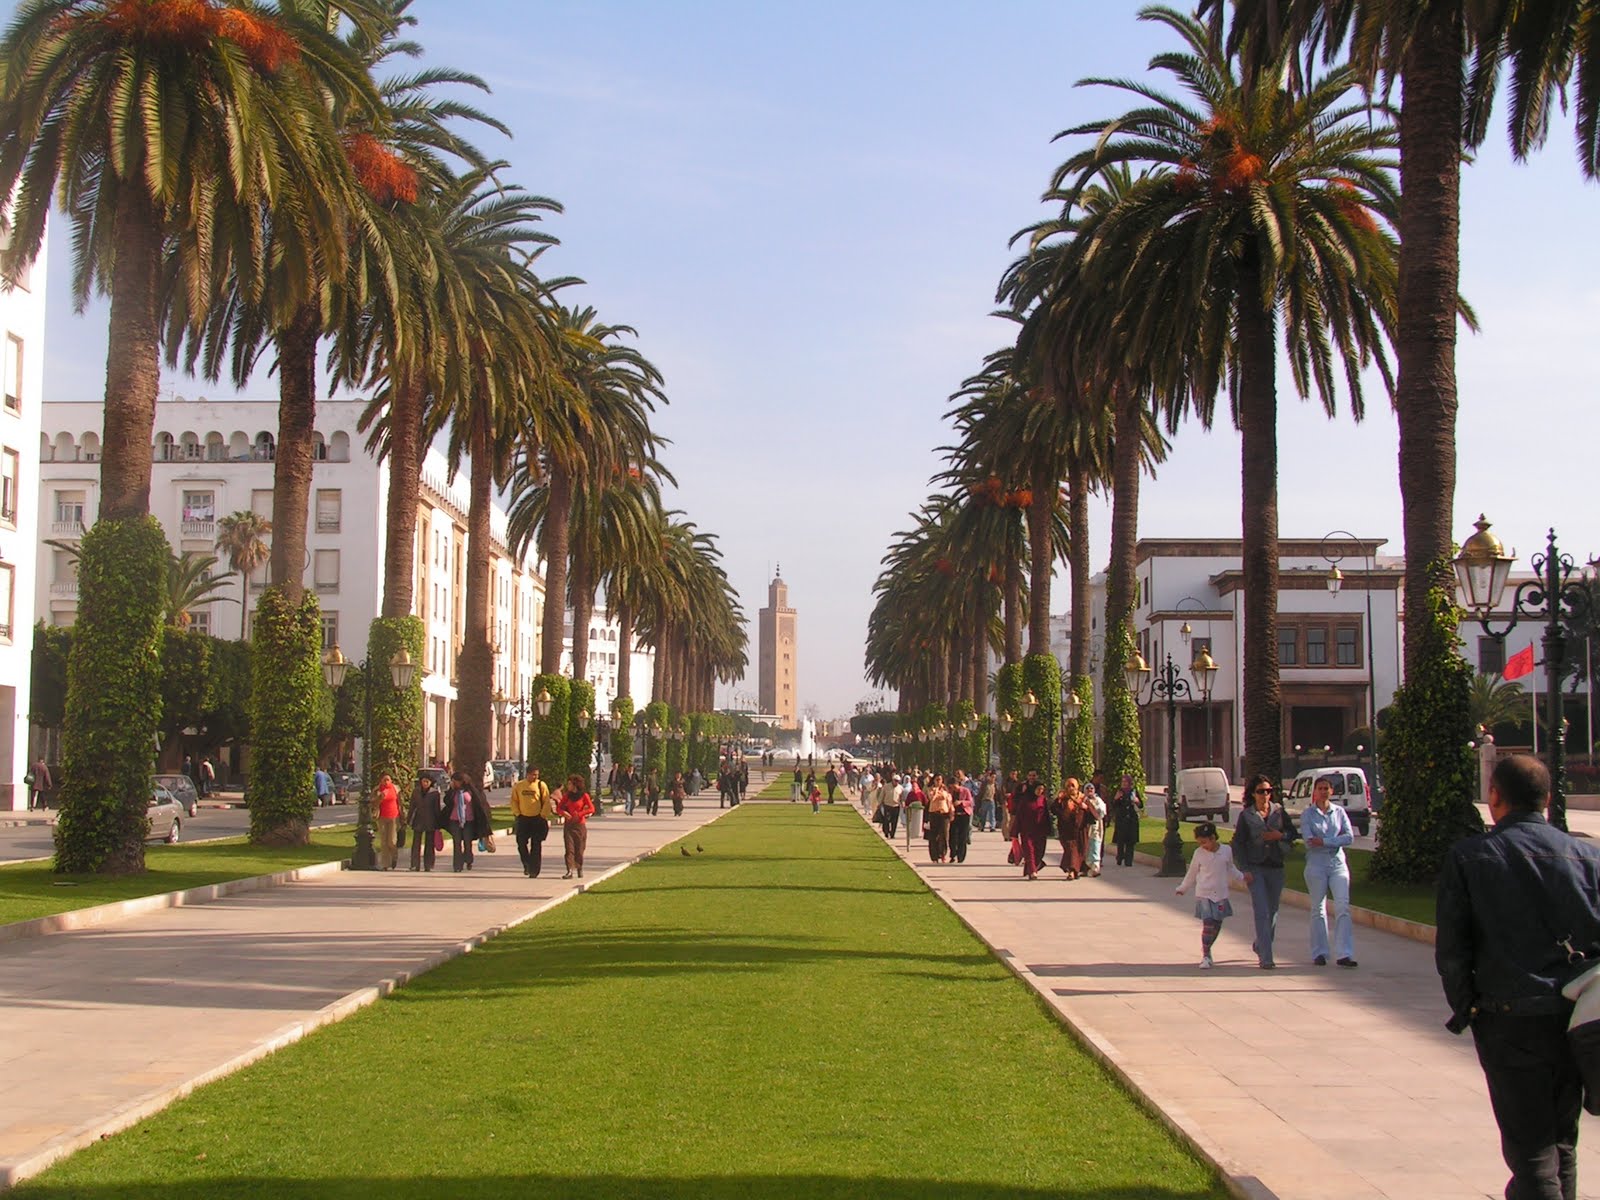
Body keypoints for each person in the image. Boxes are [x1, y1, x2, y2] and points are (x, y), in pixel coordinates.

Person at [1437, 754, 1600, 1200]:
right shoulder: (1588, 857)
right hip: (1574, 1018)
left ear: (1494, 796)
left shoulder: (1471, 856)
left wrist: (1467, 1007)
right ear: (1547, 800)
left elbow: (1453, 948)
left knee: (1530, 1151)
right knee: (1561, 1141)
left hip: (1508, 1019)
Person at [1232, 773, 1296, 969]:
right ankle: (1266, 958)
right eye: (1261, 791)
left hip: (1276, 867)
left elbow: (1293, 833)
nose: (1265, 795)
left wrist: (1280, 835)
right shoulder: (1247, 816)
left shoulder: (1279, 812)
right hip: (1256, 867)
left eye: (1268, 791)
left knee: (1273, 911)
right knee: (1262, 911)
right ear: (1253, 794)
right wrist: (1244, 869)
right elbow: (1238, 843)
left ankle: (1261, 944)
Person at [1301, 776, 1357, 967]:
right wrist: (1333, 840)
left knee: (1342, 907)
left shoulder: (1339, 812)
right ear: (1315, 791)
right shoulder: (1308, 814)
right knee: (1318, 908)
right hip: (1316, 865)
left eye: (1327, 788)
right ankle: (1320, 952)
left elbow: (1349, 837)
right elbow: (1309, 840)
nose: (1323, 792)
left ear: (1331, 791)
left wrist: (1325, 841)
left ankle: (1344, 953)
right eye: (1320, 788)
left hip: (1337, 864)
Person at [1175, 820, 1245, 969]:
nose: (1203, 846)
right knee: (1208, 923)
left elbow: (1231, 868)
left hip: (1220, 893)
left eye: (1205, 842)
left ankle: (1207, 947)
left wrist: (1242, 877)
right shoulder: (1199, 853)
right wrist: (1183, 887)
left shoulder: (1226, 850)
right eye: (1200, 843)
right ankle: (1206, 956)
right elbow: (1192, 873)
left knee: (1217, 924)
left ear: (1213, 838)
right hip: (1204, 893)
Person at [511, 765, 553, 878]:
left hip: (537, 819)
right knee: (521, 844)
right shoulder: (519, 786)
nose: (535, 777)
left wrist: (543, 815)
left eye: (537, 775)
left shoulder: (541, 785)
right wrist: (517, 813)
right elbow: (514, 801)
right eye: (533, 774)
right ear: (527, 774)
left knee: (536, 845)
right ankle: (527, 863)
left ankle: (534, 870)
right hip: (523, 818)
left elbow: (546, 801)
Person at [1010, 770, 1050, 881]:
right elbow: (1019, 816)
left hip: (1040, 831)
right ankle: (1032, 871)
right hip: (1027, 831)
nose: (1040, 791)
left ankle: (1034, 867)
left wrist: (1049, 829)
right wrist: (1014, 832)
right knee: (1029, 851)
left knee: (1039, 852)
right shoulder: (1025, 800)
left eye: (1042, 790)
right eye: (1038, 789)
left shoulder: (1043, 800)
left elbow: (1046, 815)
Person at [557, 773, 595, 879]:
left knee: (579, 849)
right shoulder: (567, 796)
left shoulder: (584, 796)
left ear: (575, 785)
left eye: (569, 784)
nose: (568, 786)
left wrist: (580, 814)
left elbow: (592, 809)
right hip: (569, 825)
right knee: (569, 849)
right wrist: (564, 813)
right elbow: (559, 808)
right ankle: (569, 870)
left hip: (580, 825)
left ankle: (579, 867)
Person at [444, 772, 482, 873]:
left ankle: (468, 860)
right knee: (456, 843)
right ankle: (457, 865)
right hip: (455, 820)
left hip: (468, 820)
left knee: (467, 842)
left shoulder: (470, 791)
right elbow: (446, 801)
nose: (454, 783)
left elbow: (478, 804)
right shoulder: (453, 792)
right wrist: (451, 790)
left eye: (455, 781)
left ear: (461, 781)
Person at [407, 771, 444, 872]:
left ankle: (429, 865)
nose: (425, 783)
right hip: (418, 820)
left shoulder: (434, 793)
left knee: (429, 844)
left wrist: (438, 823)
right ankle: (414, 865)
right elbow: (412, 807)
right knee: (416, 844)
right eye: (424, 781)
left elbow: (437, 809)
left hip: (430, 821)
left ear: (430, 782)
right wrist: (408, 819)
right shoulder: (416, 792)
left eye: (427, 782)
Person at [1055, 778, 1090, 880]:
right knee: (1071, 849)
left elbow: (1091, 813)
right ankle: (1071, 871)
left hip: (1080, 830)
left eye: (1072, 786)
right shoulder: (1062, 798)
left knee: (1080, 850)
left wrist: (1085, 808)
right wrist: (1059, 801)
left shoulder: (1083, 798)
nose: (1070, 788)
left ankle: (1076, 870)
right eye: (1068, 786)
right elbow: (1054, 809)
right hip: (1066, 830)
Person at [1109, 774, 1143, 867]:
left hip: (1131, 819)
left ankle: (1129, 860)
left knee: (1130, 841)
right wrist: (1116, 799)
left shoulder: (1134, 792)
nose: (1124, 784)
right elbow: (1113, 805)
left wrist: (1137, 801)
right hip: (1121, 819)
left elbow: (1141, 805)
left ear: (1129, 783)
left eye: (1125, 782)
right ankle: (1120, 857)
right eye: (1122, 782)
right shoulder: (1119, 792)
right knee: (1121, 840)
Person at [375, 773, 402, 870]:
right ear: (381, 781)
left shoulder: (395, 788)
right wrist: (380, 798)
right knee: (384, 842)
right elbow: (373, 803)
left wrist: (402, 814)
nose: (386, 782)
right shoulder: (378, 789)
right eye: (384, 780)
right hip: (382, 817)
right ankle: (385, 864)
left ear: (391, 781)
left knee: (391, 841)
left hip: (394, 817)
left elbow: (400, 802)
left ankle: (394, 857)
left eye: (388, 779)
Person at [924, 774, 954, 862]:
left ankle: (943, 854)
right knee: (933, 835)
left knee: (944, 835)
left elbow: (948, 800)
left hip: (944, 814)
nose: (938, 781)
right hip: (934, 814)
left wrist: (951, 812)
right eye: (936, 779)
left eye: (940, 779)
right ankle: (934, 856)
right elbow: (932, 798)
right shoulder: (930, 789)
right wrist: (937, 790)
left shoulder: (946, 790)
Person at [950, 770, 974, 863]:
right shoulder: (950, 792)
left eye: (955, 787)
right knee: (953, 836)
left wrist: (961, 802)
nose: (954, 789)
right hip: (954, 815)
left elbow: (971, 802)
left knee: (962, 836)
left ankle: (961, 856)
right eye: (952, 787)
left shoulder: (965, 791)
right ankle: (953, 854)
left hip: (964, 815)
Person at [1084, 783, 1107, 877]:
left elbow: (1101, 813)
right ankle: (1085, 868)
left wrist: (1092, 806)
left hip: (1096, 827)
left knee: (1095, 846)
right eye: (1087, 788)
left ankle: (1095, 868)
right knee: (1085, 847)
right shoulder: (1081, 799)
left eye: (1091, 788)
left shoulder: (1098, 800)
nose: (1090, 790)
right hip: (1084, 827)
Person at [879, 773, 902, 838]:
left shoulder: (900, 788)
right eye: (895, 781)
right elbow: (882, 795)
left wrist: (903, 803)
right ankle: (886, 832)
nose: (896, 782)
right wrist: (879, 803)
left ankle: (892, 834)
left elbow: (902, 798)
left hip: (896, 806)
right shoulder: (886, 786)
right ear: (893, 780)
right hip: (887, 805)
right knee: (886, 820)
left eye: (898, 781)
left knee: (894, 821)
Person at [975, 769, 997, 833]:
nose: (993, 779)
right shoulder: (985, 783)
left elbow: (997, 792)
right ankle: (982, 826)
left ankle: (992, 827)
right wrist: (978, 800)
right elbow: (981, 792)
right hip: (984, 800)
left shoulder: (995, 784)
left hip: (991, 800)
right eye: (992, 777)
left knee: (992, 814)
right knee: (983, 814)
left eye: (994, 778)